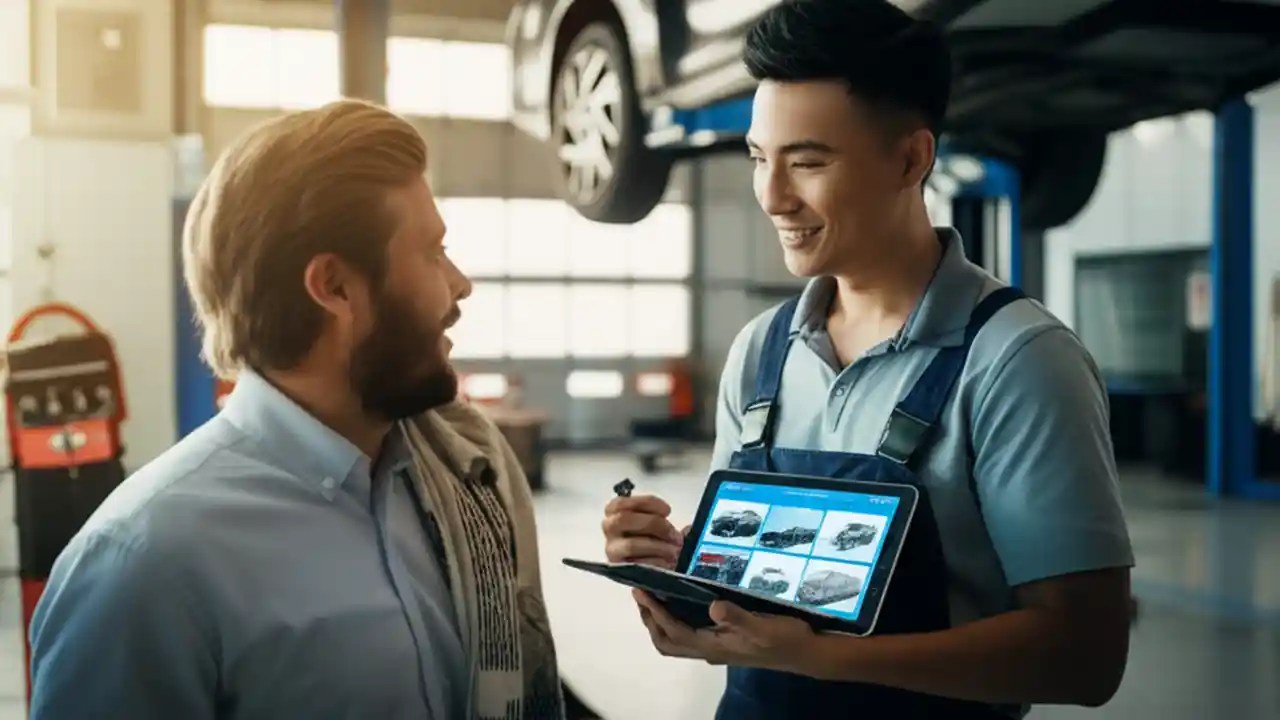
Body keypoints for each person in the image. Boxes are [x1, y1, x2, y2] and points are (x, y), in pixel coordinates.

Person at [601, 1, 1133, 718]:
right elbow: (757, 583)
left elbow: (1085, 656)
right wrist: (678, 563)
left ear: (911, 159)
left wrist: (820, 657)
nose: (773, 197)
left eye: (807, 162)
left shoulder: (1018, 362)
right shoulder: (761, 351)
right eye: (759, 158)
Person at [29, 100, 566, 720]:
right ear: (334, 287)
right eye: (432, 252)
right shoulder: (144, 566)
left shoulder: (462, 475)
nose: (459, 283)